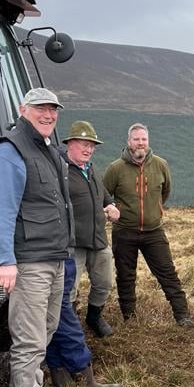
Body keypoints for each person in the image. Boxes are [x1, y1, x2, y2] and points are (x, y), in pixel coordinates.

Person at [0, 87, 73, 387]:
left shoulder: (47, 149)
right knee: (30, 340)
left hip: (54, 257)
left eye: (53, 110)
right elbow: (1, 208)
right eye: (40, 108)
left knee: (45, 331)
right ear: (24, 109)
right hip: (30, 261)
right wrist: (4, 259)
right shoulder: (10, 150)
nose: (48, 115)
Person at [103, 123, 194, 327]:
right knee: (126, 276)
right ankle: (130, 318)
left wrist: (154, 212)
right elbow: (104, 195)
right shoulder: (115, 168)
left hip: (153, 231)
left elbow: (165, 192)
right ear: (129, 142)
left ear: (148, 141)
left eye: (143, 139)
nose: (140, 143)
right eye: (136, 139)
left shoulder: (161, 165)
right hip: (124, 231)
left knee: (168, 273)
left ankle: (183, 316)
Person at [62, 120, 119, 338]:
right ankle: (70, 327)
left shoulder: (91, 169)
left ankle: (94, 317)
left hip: (98, 239)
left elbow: (102, 193)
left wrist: (111, 205)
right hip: (73, 243)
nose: (88, 149)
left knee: (104, 283)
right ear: (70, 144)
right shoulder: (61, 171)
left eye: (92, 145)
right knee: (69, 291)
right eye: (83, 144)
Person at [44, 253, 122, 387]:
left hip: (55, 250)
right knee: (64, 322)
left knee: (53, 323)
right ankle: (87, 384)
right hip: (51, 252)